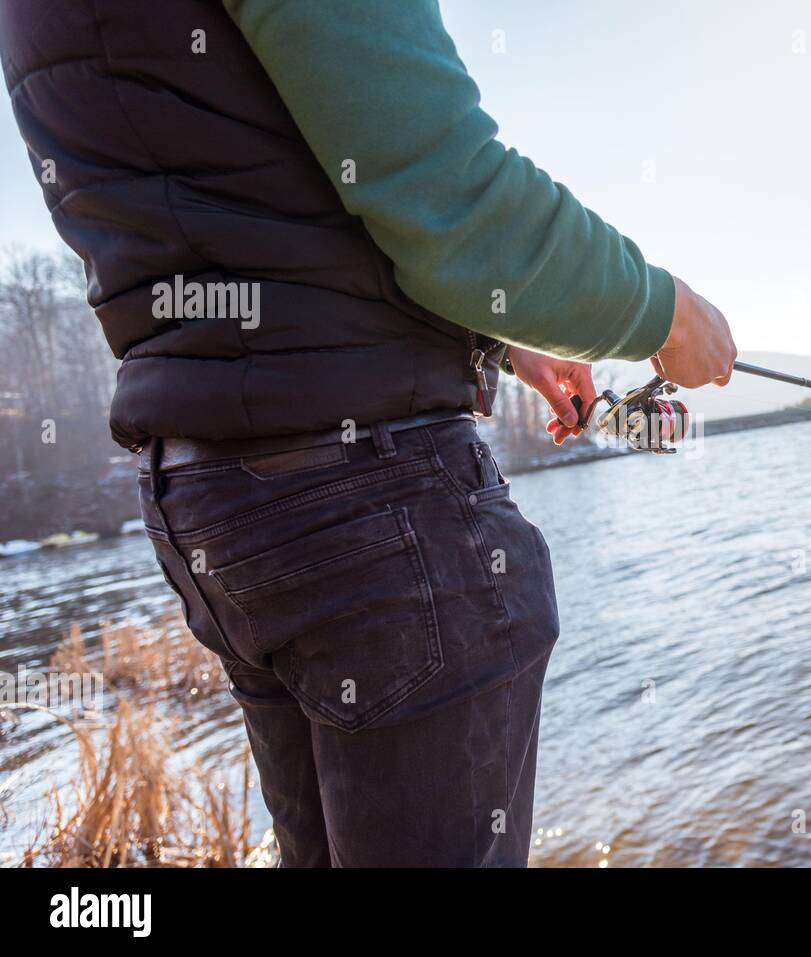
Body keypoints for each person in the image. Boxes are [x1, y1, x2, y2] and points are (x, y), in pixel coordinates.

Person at [0, 0, 735, 866]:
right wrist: (665, 310)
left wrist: (496, 339)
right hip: (375, 514)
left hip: (213, 504)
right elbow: (451, 193)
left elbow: (238, 194)